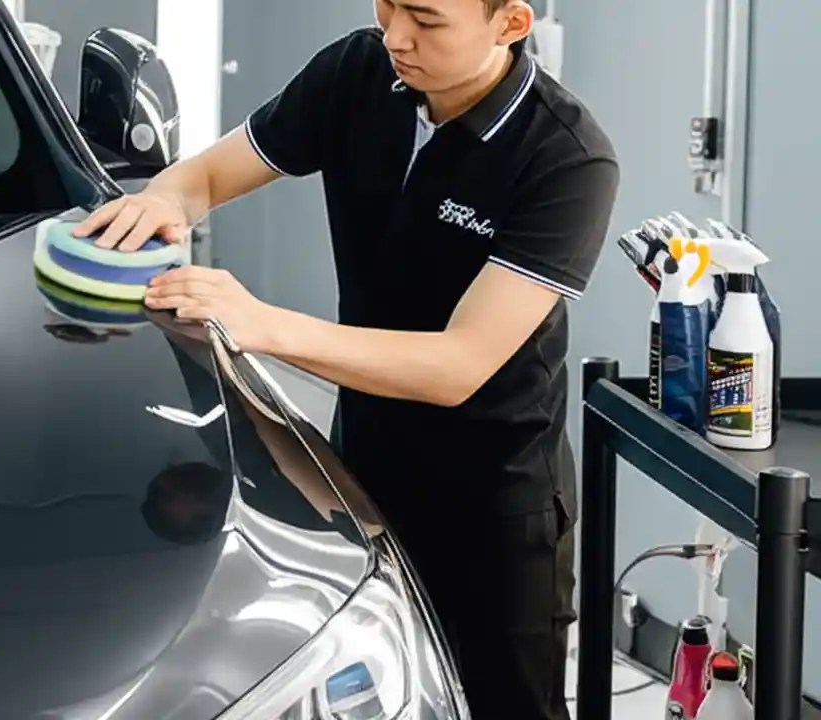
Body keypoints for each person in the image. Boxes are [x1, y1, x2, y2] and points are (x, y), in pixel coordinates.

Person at [72, 0, 620, 717]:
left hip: (493, 501)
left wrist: (259, 324)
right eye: (386, 5)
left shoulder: (566, 157)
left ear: (510, 23)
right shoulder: (356, 74)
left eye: (426, 20)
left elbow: (457, 366)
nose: (396, 36)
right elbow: (200, 179)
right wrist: (167, 201)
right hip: (363, 469)